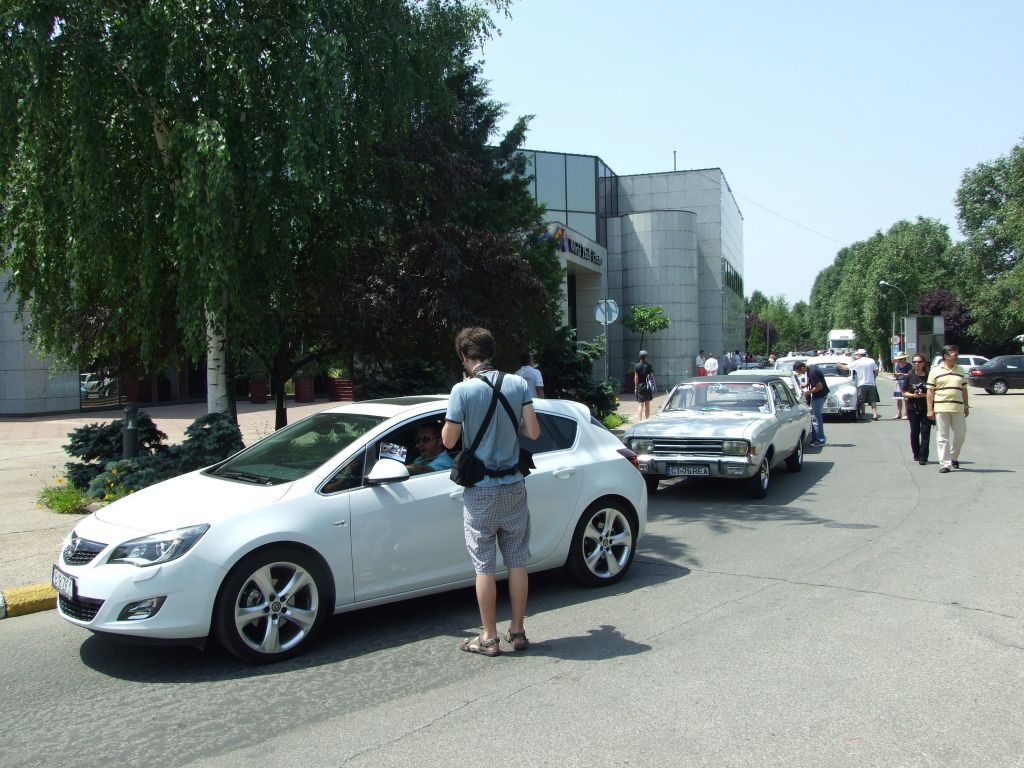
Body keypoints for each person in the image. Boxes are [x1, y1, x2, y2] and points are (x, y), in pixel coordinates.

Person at [443, 327, 540, 656]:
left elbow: (449, 441)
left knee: (484, 566)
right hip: (514, 485)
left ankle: (488, 638)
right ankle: (519, 631)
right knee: (517, 561)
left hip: (481, 490)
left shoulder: (462, 390)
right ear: (491, 352)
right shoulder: (518, 384)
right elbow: (534, 431)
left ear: (465, 357)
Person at [927, 344, 969, 474]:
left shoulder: (960, 370)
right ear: (945, 356)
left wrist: (966, 406)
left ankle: (953, 456)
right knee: (942, 436)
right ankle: (945, 464)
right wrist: (930, 409)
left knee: (960, 435)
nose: (957, 356)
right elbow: (930, 391)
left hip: (957, 407)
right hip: (941, 407)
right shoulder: (935, 370)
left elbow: (964, 389)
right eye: (954, 354)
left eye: (957, 354)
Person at [902, 354, 932, 465]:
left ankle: (923, 457)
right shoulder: (909, 376)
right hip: (912, 407)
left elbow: (933, 392)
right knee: (915, 432)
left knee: (925, 432)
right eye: (914, 362)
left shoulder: (929, 376)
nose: (916, 364)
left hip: (926, 407)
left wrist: (924, 395)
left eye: (919, 362)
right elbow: (904, 392)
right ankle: (916, 453)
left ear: (923, 363)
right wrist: (913, 395)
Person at [794, 360, 828, 447]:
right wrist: (806, 385)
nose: (800, 374)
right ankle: (819, 438)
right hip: (821, 395)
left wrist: (807, 392)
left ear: (802, 368)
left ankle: (819, 440)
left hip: (819, 396)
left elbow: (819, 386)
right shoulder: (810, 368)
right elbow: (812, 380)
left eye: (799, 372)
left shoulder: (812, 372)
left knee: (816, 418)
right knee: (816, 417)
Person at [841, 349, 880, 421]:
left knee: (861, 400)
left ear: (859, 355)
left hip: (861, 384)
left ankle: (863, 414)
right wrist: (873, 379)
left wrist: (838, 364)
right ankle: (875, 414)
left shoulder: (858, 362)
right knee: (873, 400)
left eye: (857, 355)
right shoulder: (871, 360)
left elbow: (845, 367)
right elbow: (876, 371)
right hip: (871, 383)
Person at [633, 350, 655, 421]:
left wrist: (636, 387)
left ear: (640, 357)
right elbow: (651, 377)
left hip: (640, 386)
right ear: (645, 357)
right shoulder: (649, 366)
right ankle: (647, 420)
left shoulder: (636, 366)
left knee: (640, 405)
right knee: (647, 405)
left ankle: (640, 421)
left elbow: (636, 377)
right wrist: (654, 385)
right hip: (648, 387)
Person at [891, 352, 912, 419]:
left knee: (906, 399)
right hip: (898, 382)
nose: (899, 360)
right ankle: (899, 413)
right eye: (898, 359)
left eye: (900, 359)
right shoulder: (898, 365)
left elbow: (910, 374)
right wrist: (896, 375)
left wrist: (902, 374)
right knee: (898, 399)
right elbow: (896, 372)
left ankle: (907, 414)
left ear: (904, 358)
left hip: (905, 382)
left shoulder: (908, 365)